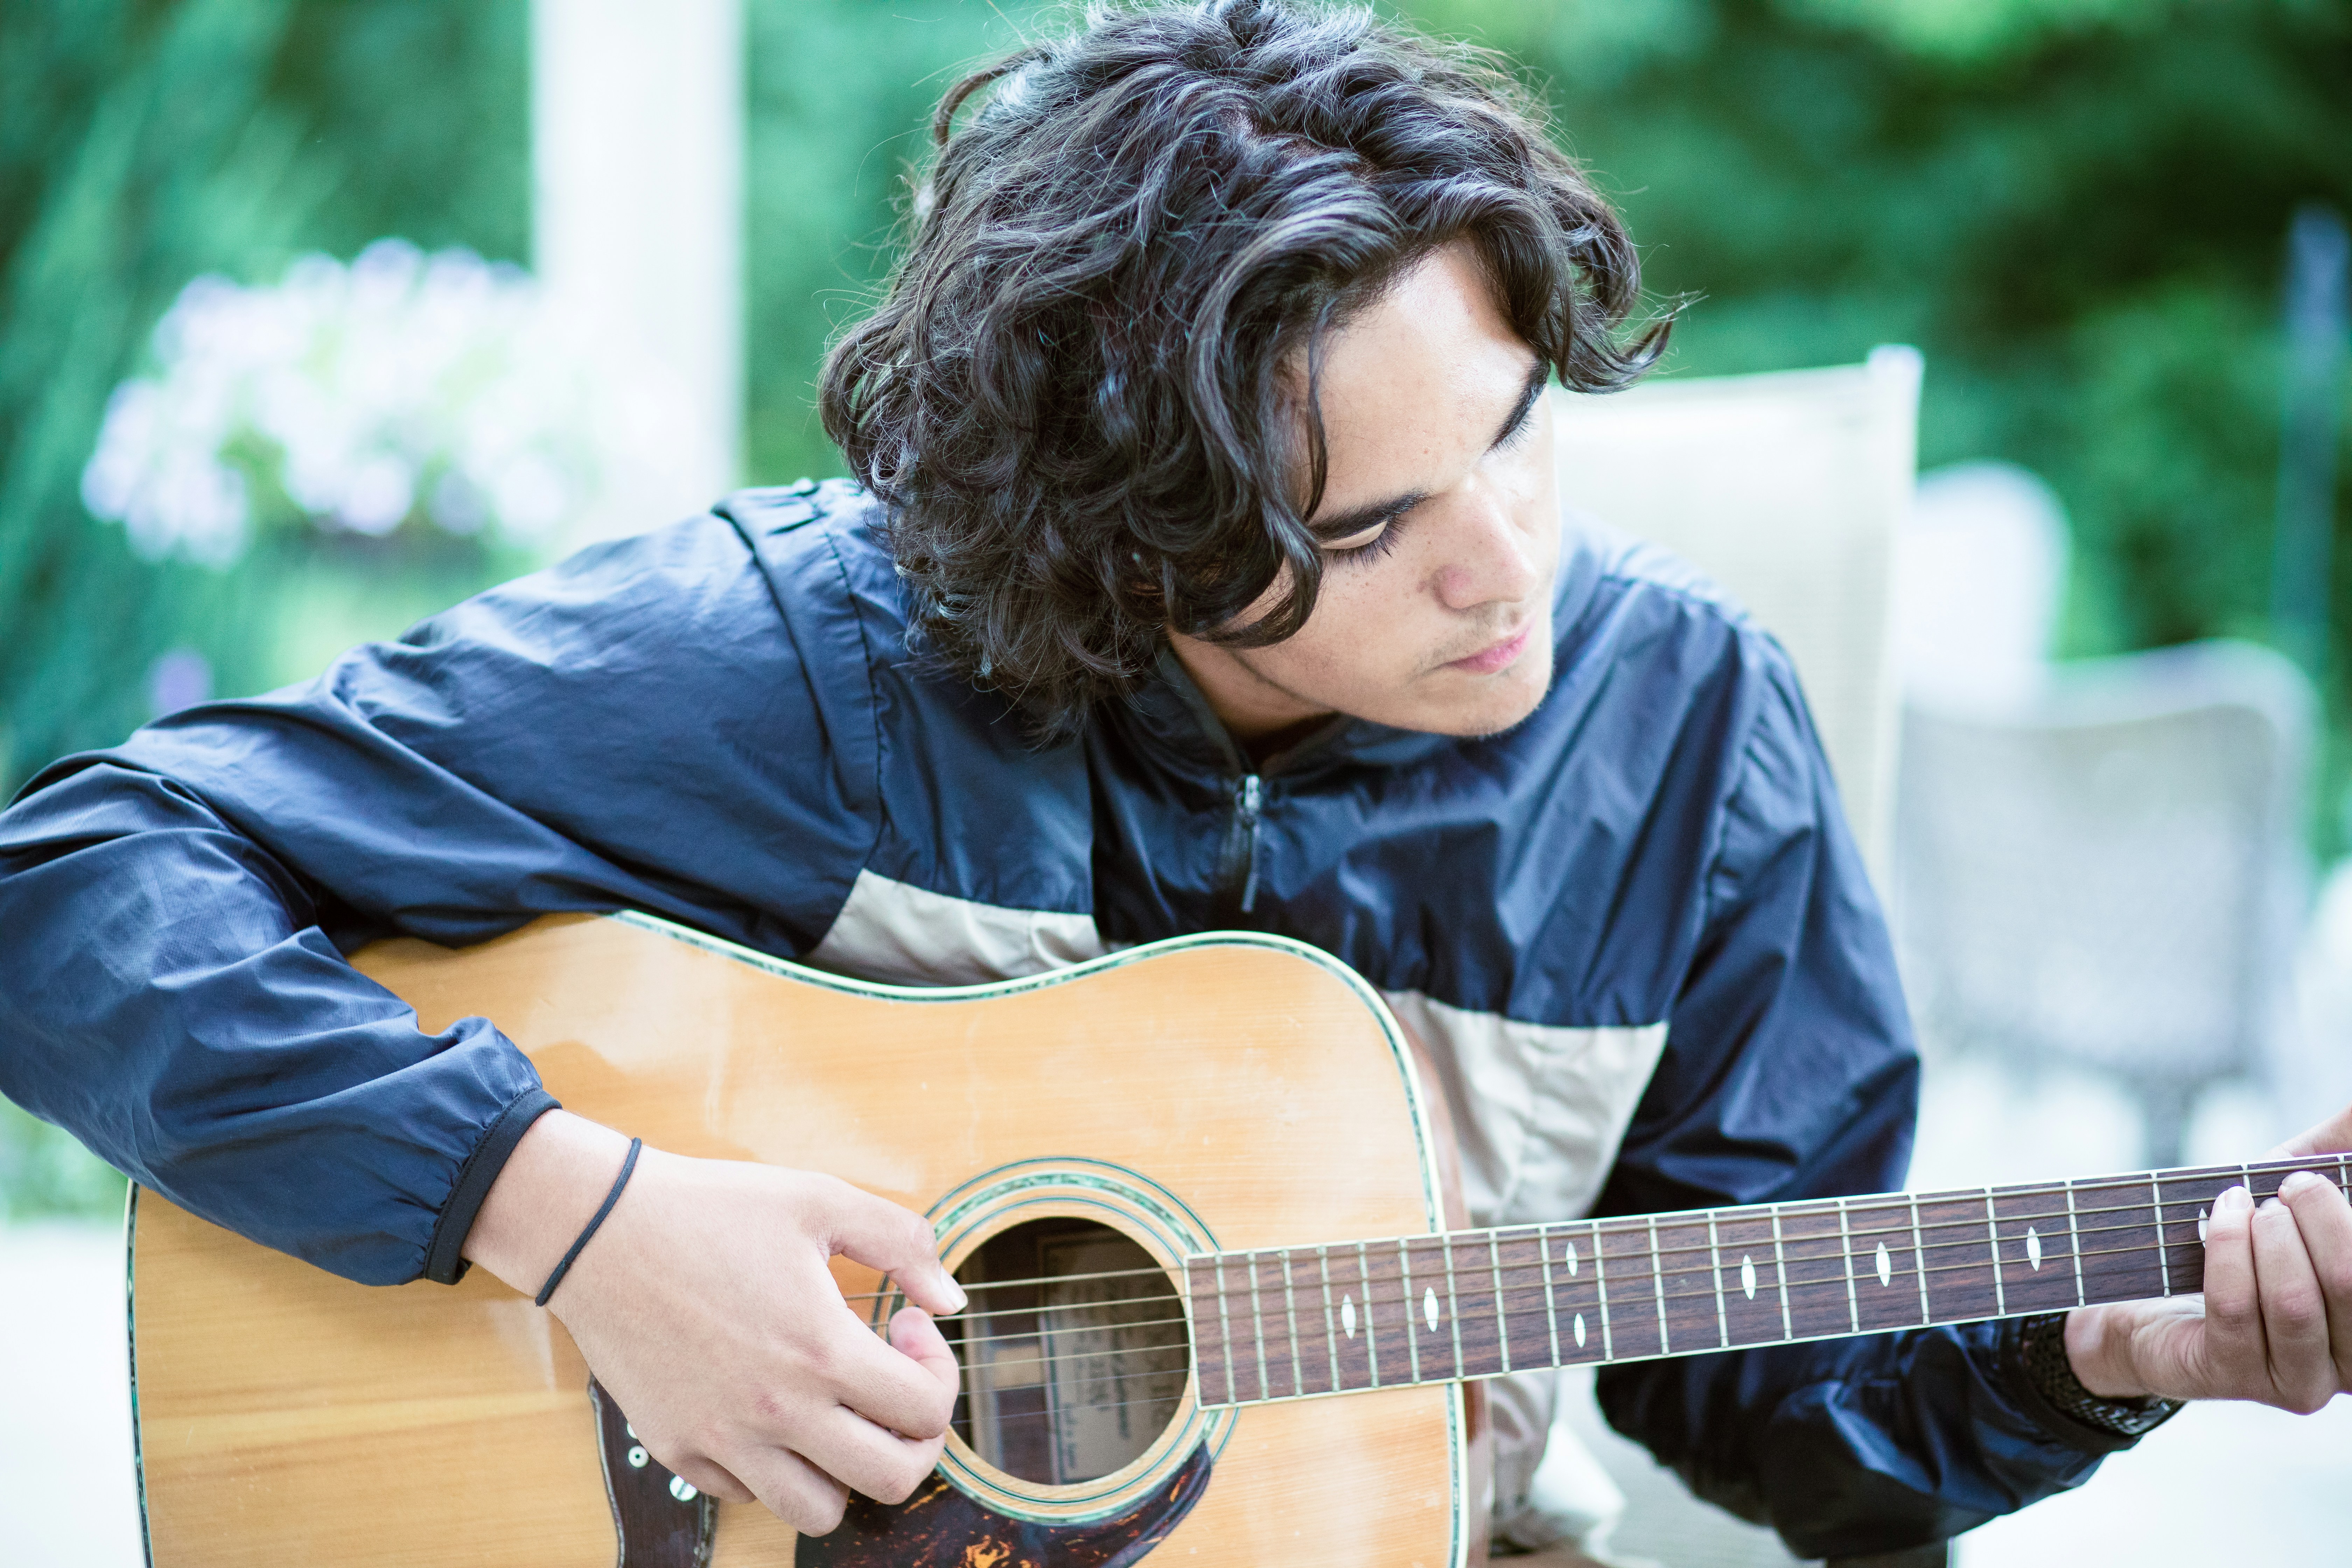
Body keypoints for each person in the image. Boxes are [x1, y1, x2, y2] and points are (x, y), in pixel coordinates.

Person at [3, 2, 2347, 1560]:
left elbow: (1773, 1408)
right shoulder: (813, 668)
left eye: (1519, 432)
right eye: (1370, 531)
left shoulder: (1688, 739)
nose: (1506, 565)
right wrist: (576, 1217)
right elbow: (74, 876)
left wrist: (2094, 1355)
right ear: (1123, 549)